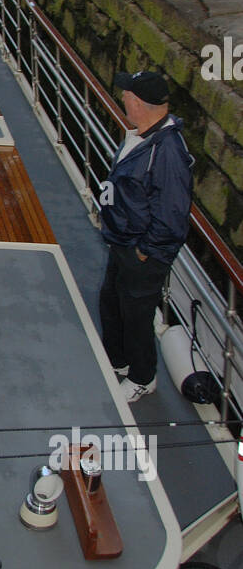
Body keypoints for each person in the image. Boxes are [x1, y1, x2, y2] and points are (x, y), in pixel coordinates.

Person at [98, 70, 194, 403]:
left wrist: (145, 251)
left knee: (137, 316)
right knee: (111, 302)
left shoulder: (167, 152)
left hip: (140, 251)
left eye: (126, 95)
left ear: (136, 102)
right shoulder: (141, 137)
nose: (122, 98)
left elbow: (172, 215)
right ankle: (119, 360)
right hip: (121, 240)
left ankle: (142, 377)